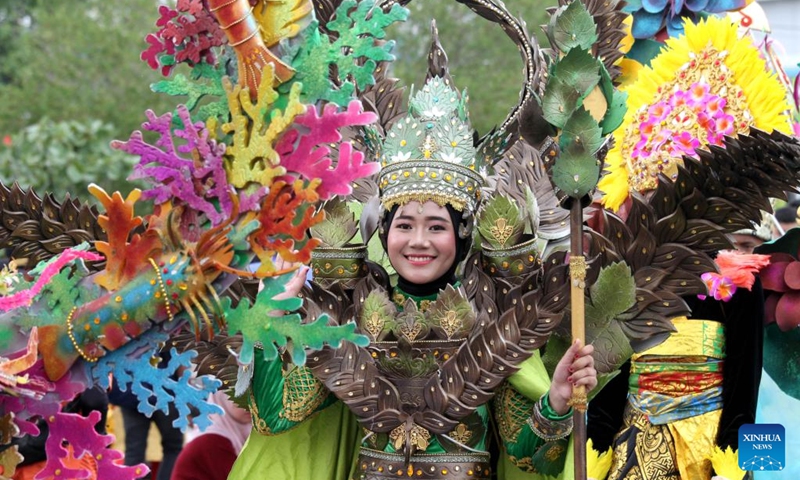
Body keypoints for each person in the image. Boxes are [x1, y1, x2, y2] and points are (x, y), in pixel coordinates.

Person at [229, 74, 599, 480]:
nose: (418, 241)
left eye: (437, 227)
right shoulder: (351, 317)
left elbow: (531, 458)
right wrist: (267, 316)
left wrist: (557, 400)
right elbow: (277, 417)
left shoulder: (490, 319)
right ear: (385, 233)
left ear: (461, 236)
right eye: (405, 225)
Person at [170, 391, 251, 480]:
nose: (249, 406)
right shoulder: (212, 440)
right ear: (221, 401)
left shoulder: (242, 432)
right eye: (240, 400)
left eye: (253, 398)